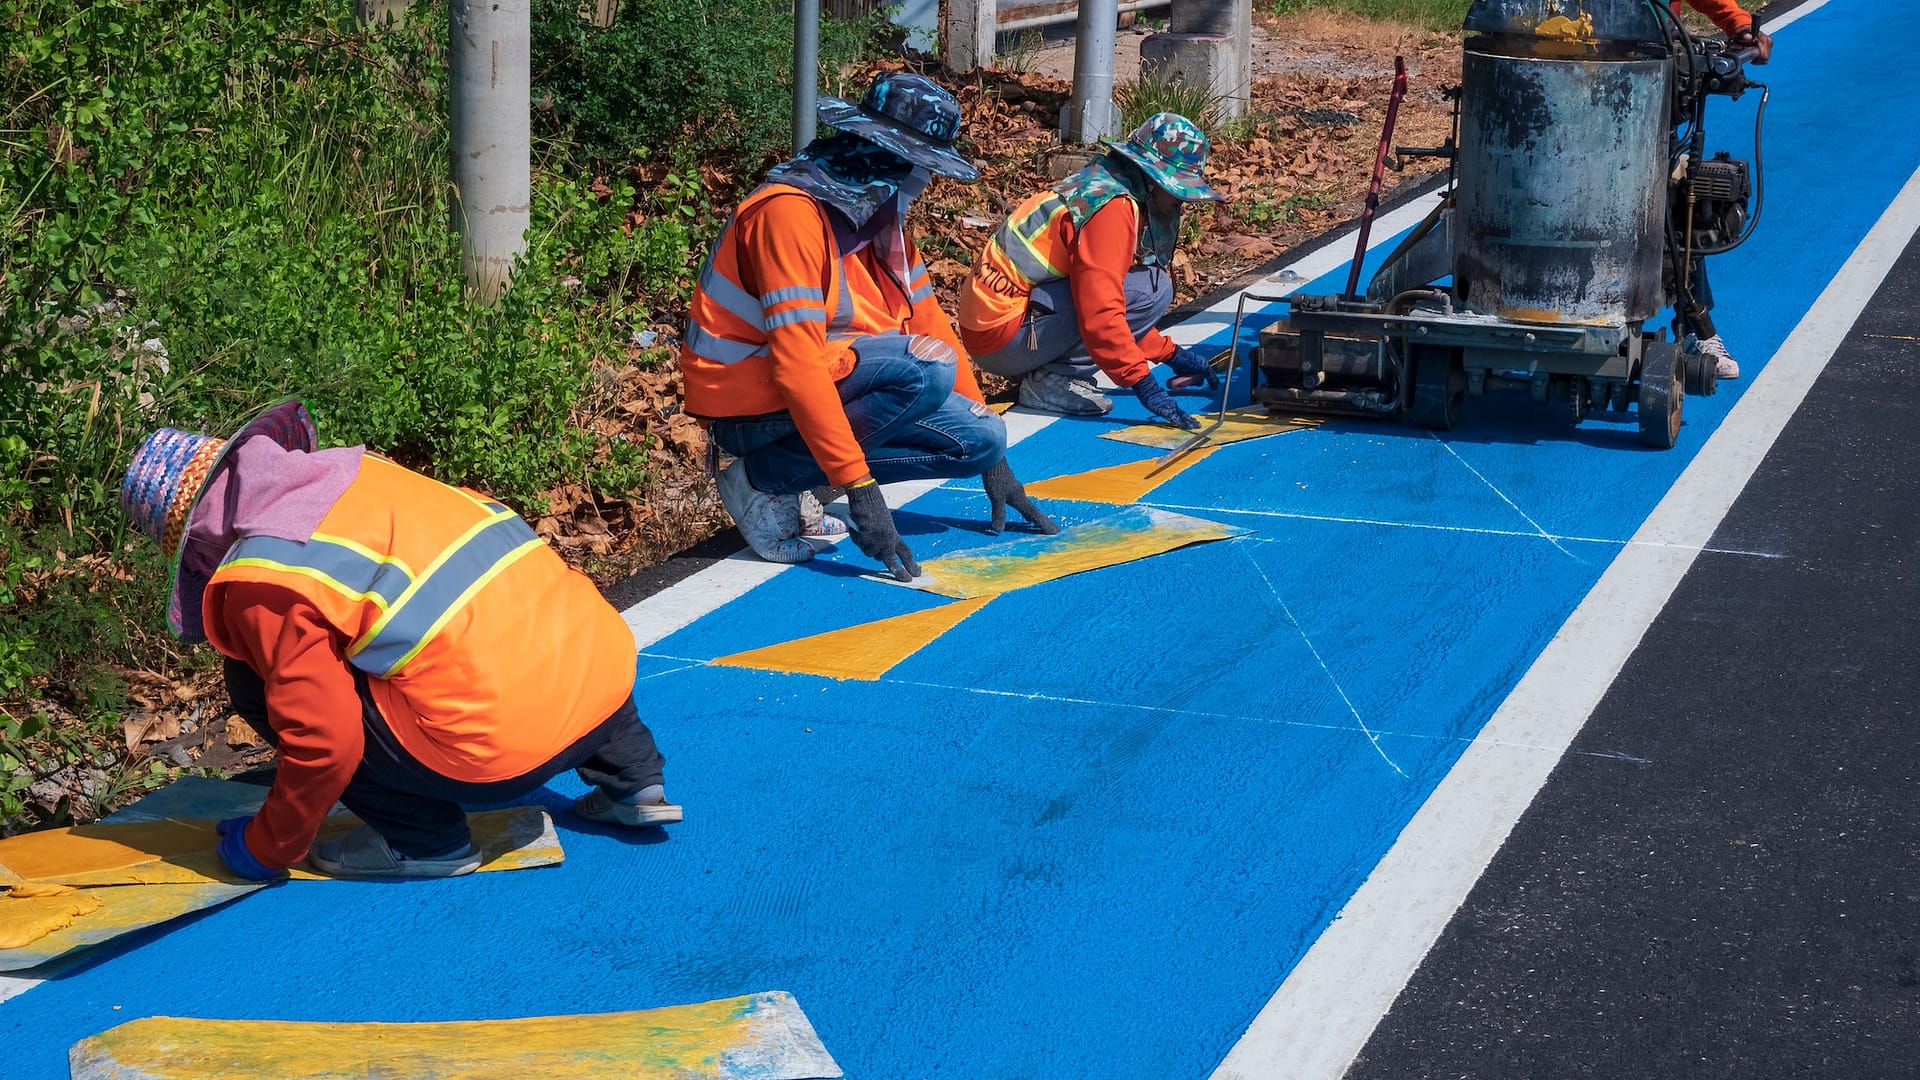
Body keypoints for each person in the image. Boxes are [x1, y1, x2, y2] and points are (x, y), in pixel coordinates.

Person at [118, 400, 678, 882]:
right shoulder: (363, 476)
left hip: (501, 754)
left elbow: (325, 744)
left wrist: (268, 845)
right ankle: (635, 781)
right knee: (530, 620)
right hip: (604, 668)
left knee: (254, 678)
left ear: (194, 547)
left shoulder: (264, 576)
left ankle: (426, 841)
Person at [682, 72, 1057, 582]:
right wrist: (860, 490)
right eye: (919, 167)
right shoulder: (789, 216)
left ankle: (804, 476)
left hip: (820, 385)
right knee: (923, 372)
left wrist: (996, 463)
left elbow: (930, 323)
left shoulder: (878, 222)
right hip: (746, 403)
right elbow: (797, 366)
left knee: (982, 437)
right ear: (883, 156)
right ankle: (763, 479)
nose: (922, 183)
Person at [958, 112, 1226, 425]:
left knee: (1135, 290)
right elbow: (1102, 312)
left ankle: (1050, 371)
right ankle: (1052, 380)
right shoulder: (1113, 209)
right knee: (1153, 289)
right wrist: (1144, 385)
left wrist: (1171, 355)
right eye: (1179, 192)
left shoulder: (1102, 182)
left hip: (994, 327)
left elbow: (1110, 303)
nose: (1183, 203)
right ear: (1155, 180)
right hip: (1005, 338)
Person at [1673, 0, 1773, 379]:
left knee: (1677, 191)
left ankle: (1698, 327)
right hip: (1563, 71)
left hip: (1647, 78)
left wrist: (1740, 25)